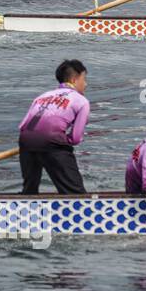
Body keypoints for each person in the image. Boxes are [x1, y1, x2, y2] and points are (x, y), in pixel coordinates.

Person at [18, 60, 90, 194]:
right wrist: (60, 141)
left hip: (26, 141)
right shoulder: (81, 101)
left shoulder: (42, 97)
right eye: (84, 79)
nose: (85, 84)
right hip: (53, 142)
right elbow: (76, 138)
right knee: (75, 193)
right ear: (74, 80)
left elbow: (23, 126)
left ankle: (26, 199)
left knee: (29, 190)